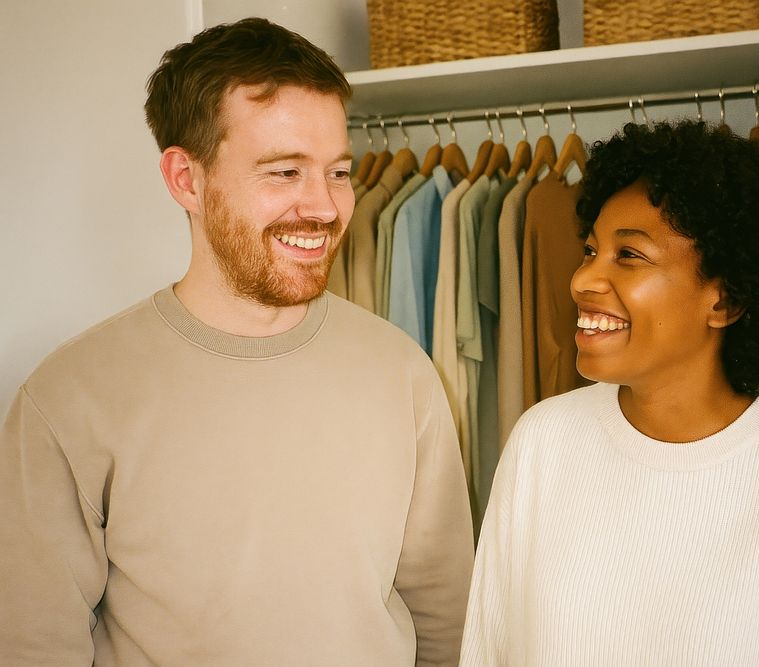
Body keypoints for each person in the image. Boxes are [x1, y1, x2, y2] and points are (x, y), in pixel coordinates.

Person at [0, 18, 472, 665]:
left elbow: (446, 625)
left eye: (338, 171)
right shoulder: (68, 399)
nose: (326, 206)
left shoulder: (404, 374)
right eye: (284, 172)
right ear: (186, 180)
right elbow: (33, 647)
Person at [461, 120, 759, 665]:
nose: (581, 280)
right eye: (590, 250)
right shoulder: (543, 442)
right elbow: (487, 650)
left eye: (629, 255)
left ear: (725, 301)